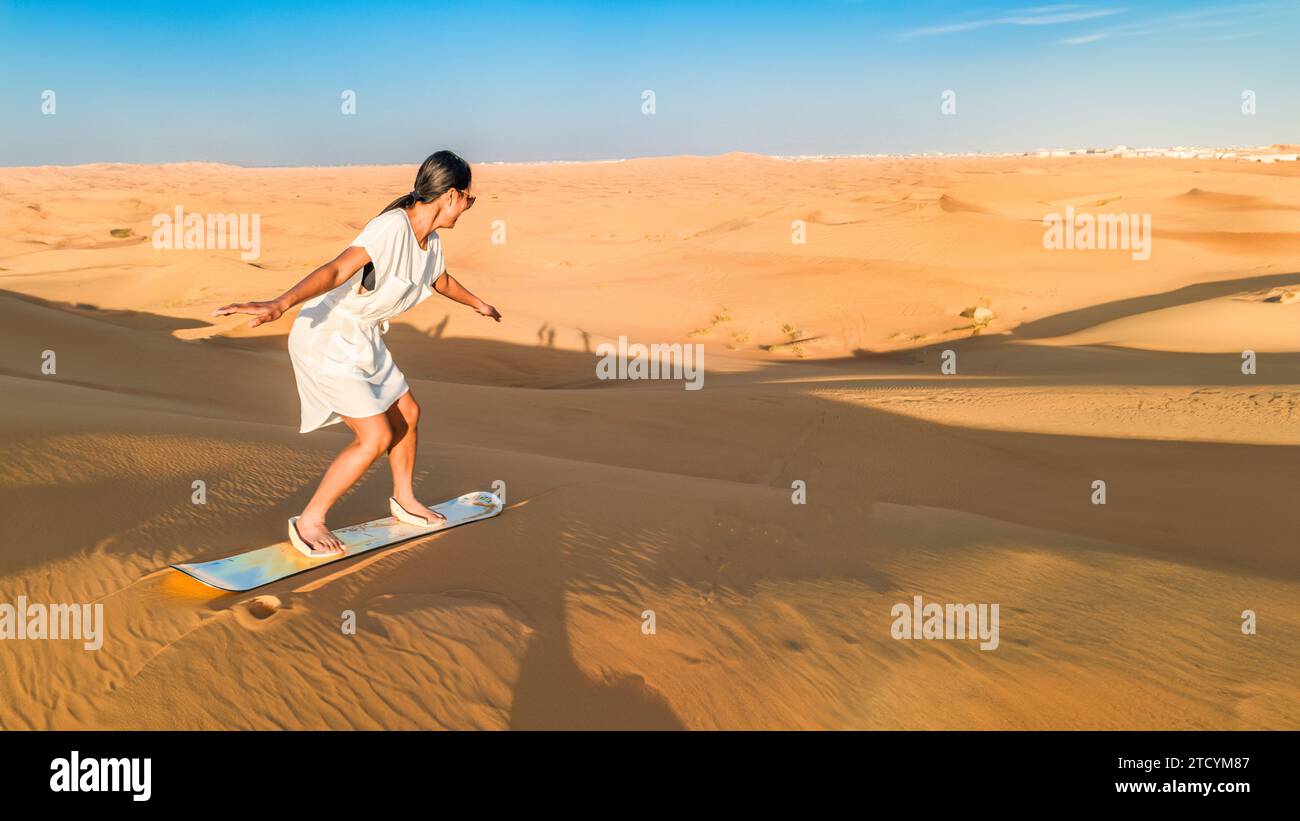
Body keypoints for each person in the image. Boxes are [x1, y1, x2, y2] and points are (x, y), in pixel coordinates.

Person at [213, 150, 501, 556]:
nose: (470, 206)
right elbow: (335, 270)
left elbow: (441, 280)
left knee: (409, 413)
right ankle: (310, 520)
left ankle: (404, 498)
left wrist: (478, 304)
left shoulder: (430, 241)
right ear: (451, 195)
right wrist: (280, 303)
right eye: (470, 198)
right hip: (327, 338)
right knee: (375, 436)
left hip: (363, 337)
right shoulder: (390, 228)